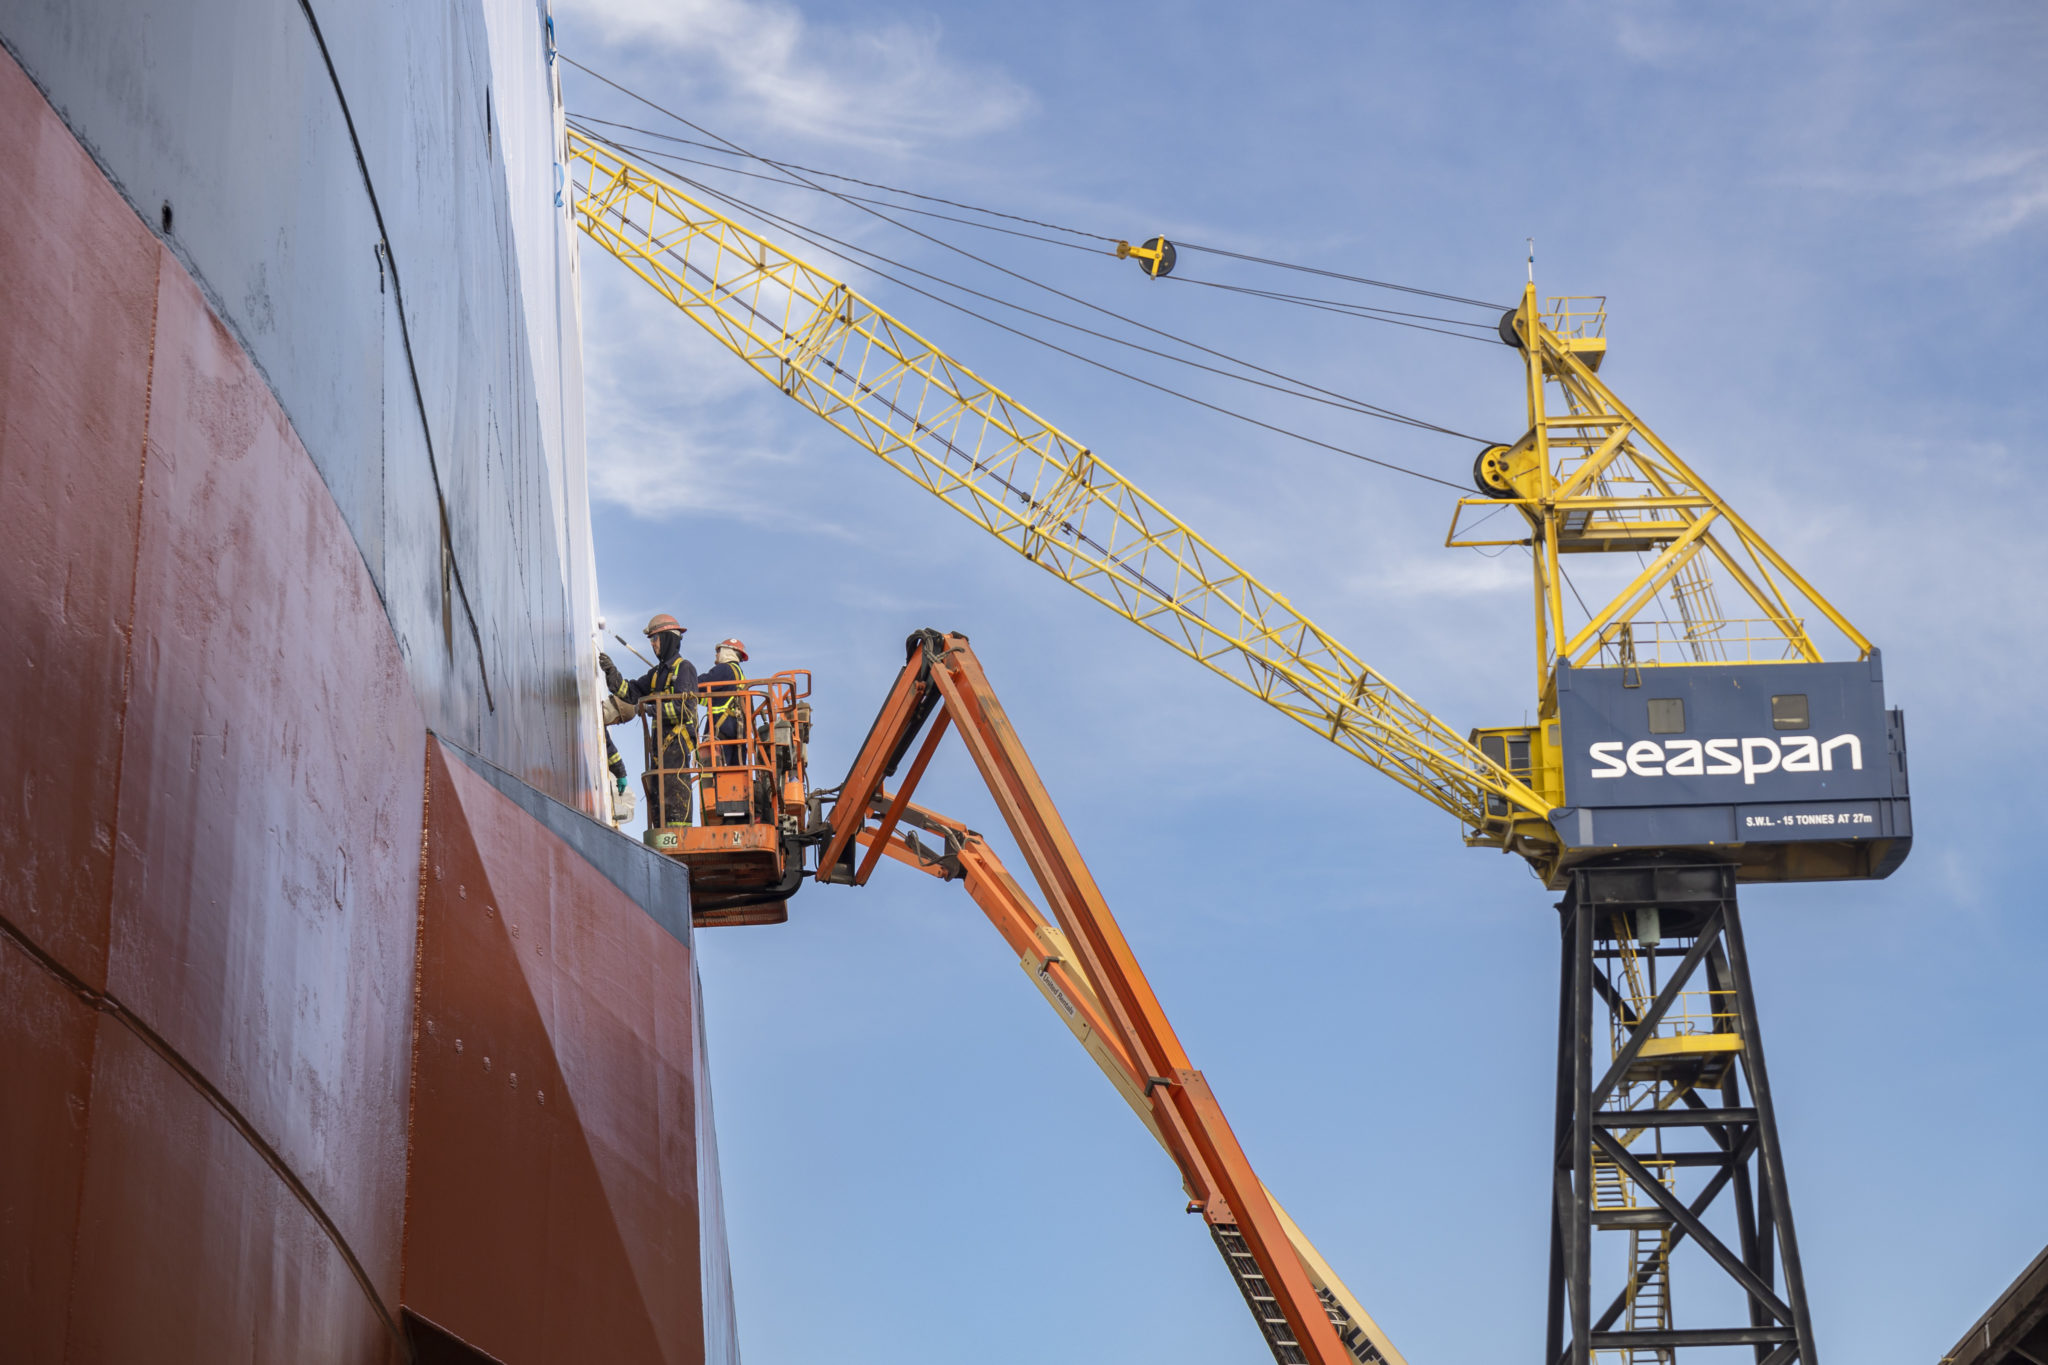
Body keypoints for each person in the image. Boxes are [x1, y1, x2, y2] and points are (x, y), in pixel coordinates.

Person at [602, 614, 698, 827]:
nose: (653, 645)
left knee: (675, 800)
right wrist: (612, 673)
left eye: (655, 639)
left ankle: (678, 843)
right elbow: (631, 692)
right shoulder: (656, 675)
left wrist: (652, 709)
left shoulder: (684, 669)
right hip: (659, 752)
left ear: (667, 639)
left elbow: (686, 710)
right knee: (659, 803)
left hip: (677, 749)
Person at [699, 637, 749, 769]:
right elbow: (715, 699)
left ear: (727, 652)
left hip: (722, 735)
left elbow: (703, 682)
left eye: (719, 651)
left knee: (716, 779)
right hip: (736, 735)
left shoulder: (724, 669)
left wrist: (684, 681)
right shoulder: (739, 675)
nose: (716, 654)